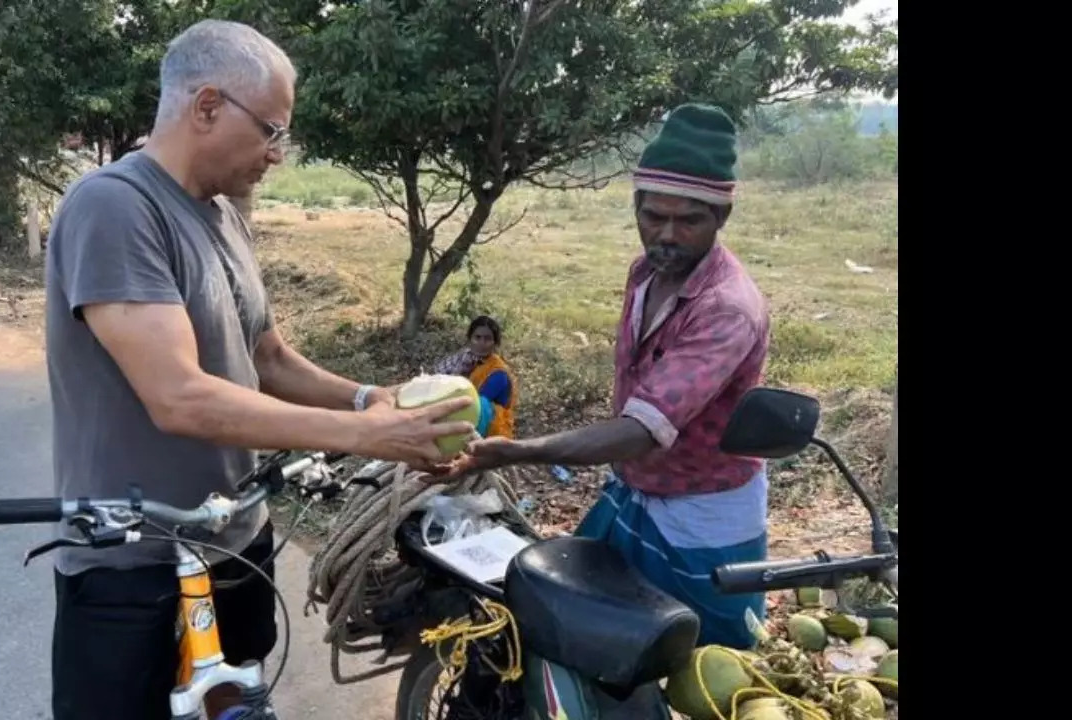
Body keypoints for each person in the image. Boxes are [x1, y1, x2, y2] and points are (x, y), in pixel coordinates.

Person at [41, 20, 474, 720]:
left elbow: (265, 355)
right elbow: (178, 397)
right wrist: (366, 437)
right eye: (272, 130)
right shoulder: (116, 207)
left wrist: (371, 399)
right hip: (137, 564)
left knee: (236, 706)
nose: (278, 154)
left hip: (236, 541)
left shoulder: (221, 215)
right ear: (207, 106)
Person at [435, 103, 771, 651]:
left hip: (701, 514)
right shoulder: (645, 273)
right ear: (635, 206)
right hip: (633, 489)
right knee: (593, 638)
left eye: (689, 221)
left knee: (709, 667)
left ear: (721, 217)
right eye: (652, 216)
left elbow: (642, 428)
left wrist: (514, 450)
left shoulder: (726, 308)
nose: (666, 235)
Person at [433, 315, 517, 438]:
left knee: (477, 402)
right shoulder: (466, 360)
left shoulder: (499, 373)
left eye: (487, 339)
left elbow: (474, 405)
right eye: (477, 338)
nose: (482, 343)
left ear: (495, 343)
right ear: (469, 339)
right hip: (469, 419)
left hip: (492, 431)